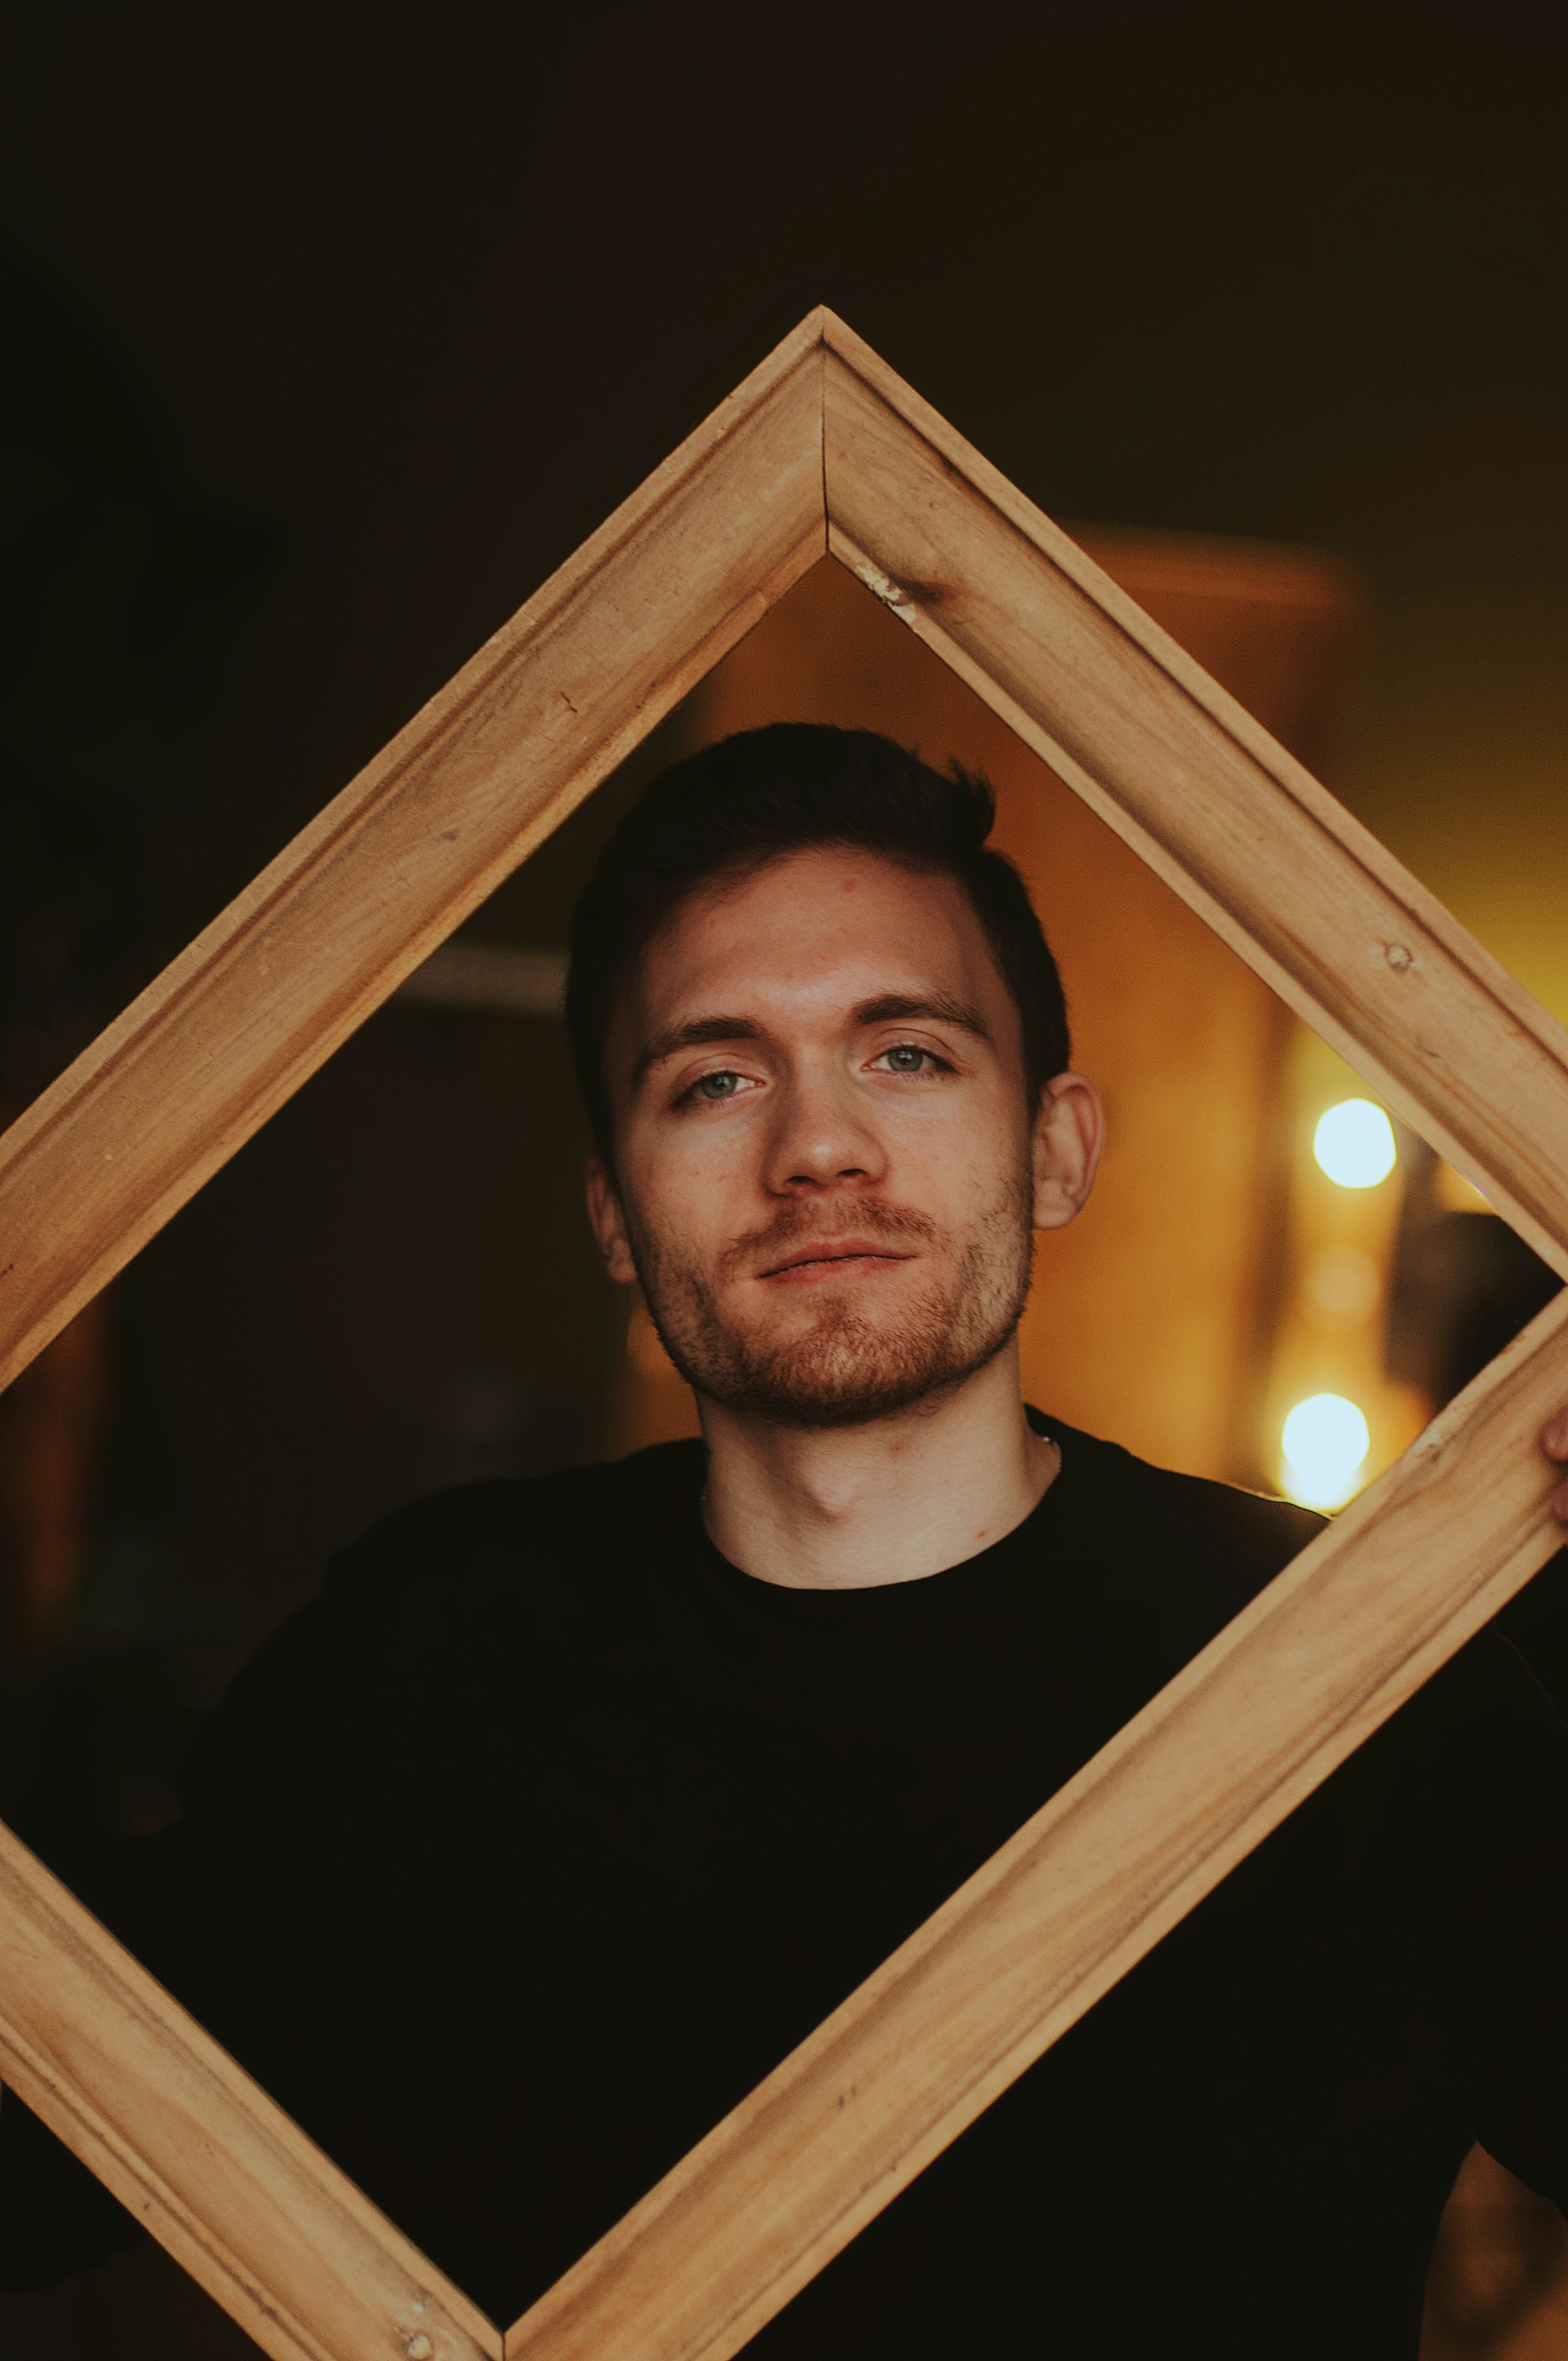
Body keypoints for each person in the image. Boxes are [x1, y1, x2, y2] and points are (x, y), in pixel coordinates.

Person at [3, 723, 1567, 2357]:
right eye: (716, 1079)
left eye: (909, 1055)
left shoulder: (1354, 1667)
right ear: (613, 1212)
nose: (817, 1147)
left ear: (1056, 1148)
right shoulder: (424, 1655)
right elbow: (37, 2160)